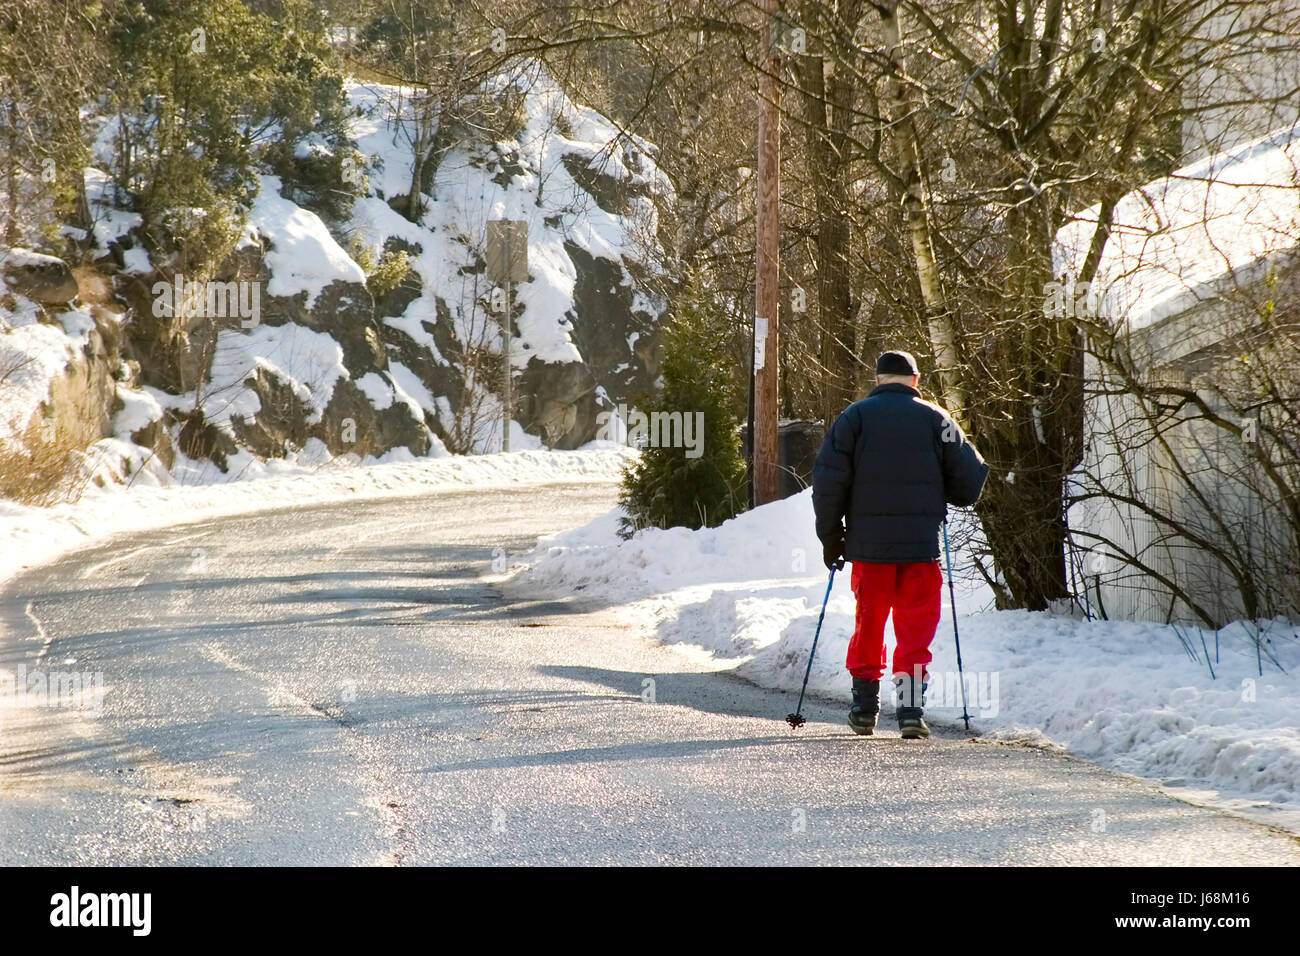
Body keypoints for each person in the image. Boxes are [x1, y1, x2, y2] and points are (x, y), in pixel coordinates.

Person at [812, 350, 989, 739]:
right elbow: (971, 480)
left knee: (868, 626)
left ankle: (863, 709)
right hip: (921, 550)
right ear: (916, 379)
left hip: (869, 553)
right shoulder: (936, 418)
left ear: (877, 379)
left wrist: (831, 537)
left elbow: (828, 482)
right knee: (914, 633)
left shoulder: (853, 419)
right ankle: (910, 714)